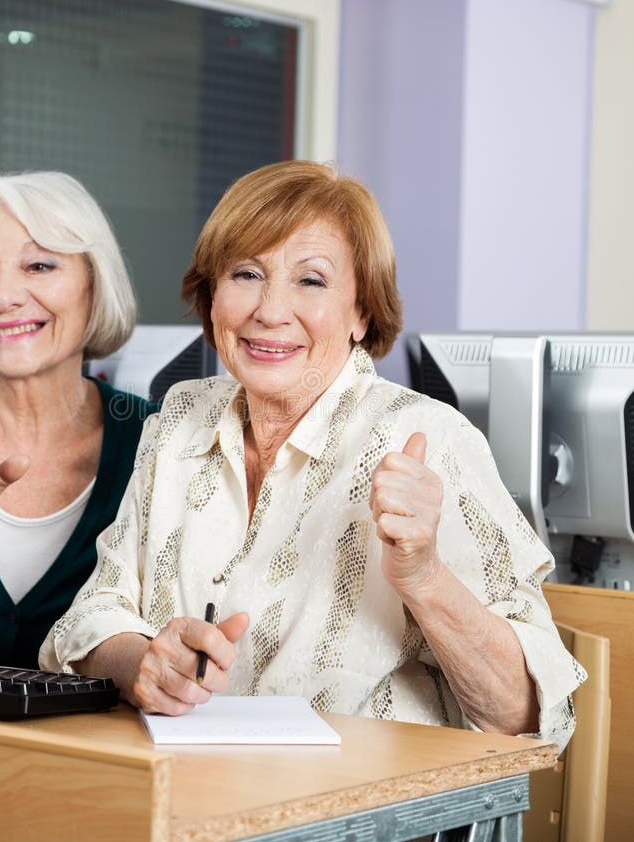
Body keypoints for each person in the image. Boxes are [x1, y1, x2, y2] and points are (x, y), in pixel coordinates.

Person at [40, 160, 584, 747]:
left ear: (361, 313)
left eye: (312, 280)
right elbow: (90, 618)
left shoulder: (426, 438)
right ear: (213, 296)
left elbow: (528, 717)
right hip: (181, 800)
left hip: (363, 817)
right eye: (246, 274)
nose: (270, 310)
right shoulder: (179, 418)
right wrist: (143, 665)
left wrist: (424, 576)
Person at [0, 171, 155, 668]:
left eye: (38, 265)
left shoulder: (159, 440)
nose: (2, 296)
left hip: (95, 746)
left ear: (95, 284)